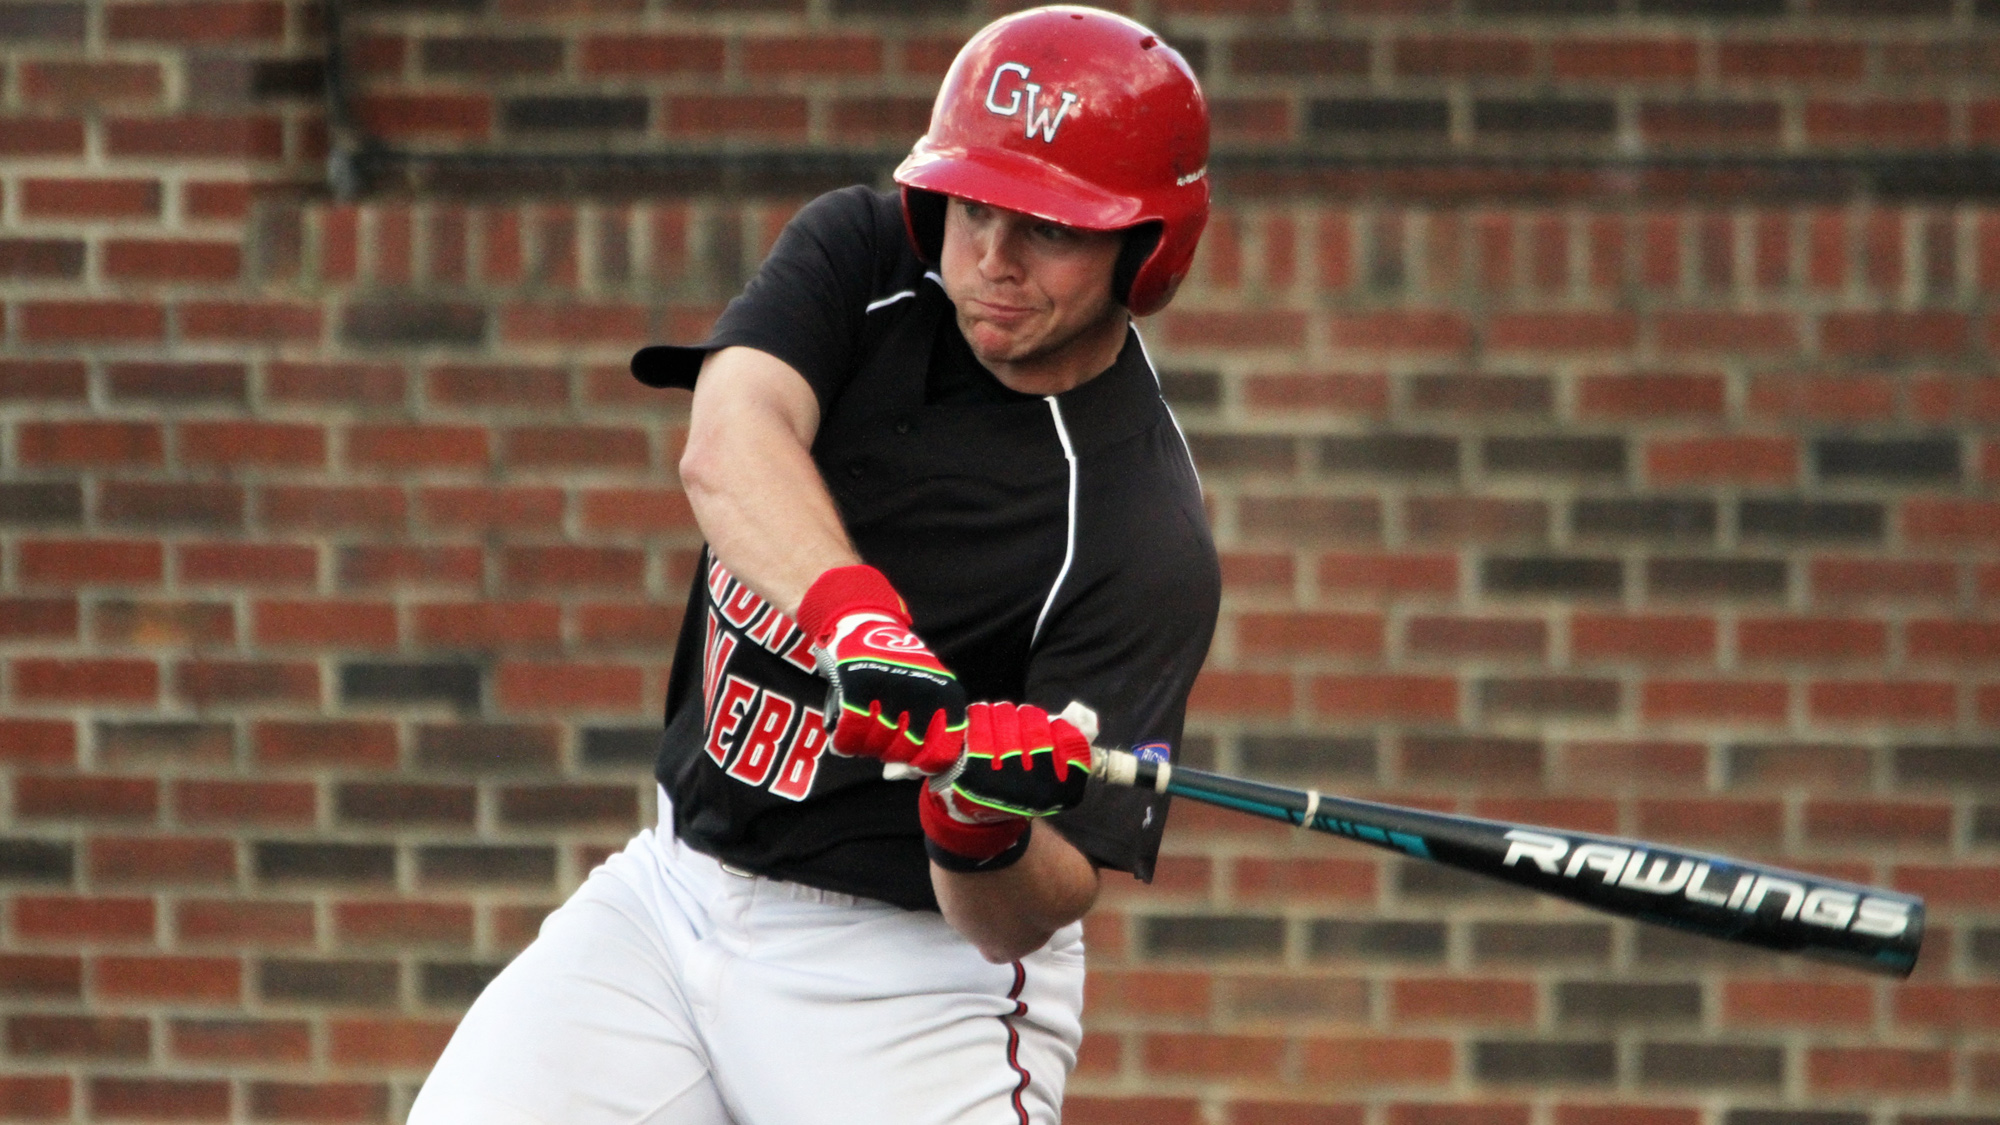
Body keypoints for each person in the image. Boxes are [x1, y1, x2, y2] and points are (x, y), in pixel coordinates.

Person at [405, 6, 1219, 1123]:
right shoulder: (861, 255)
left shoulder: (1139, 527)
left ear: (1147, 249)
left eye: (1050, 229)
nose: (991, 258)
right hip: (671, 893)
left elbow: (1031, 907)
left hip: (908, 982)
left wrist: (974, 821)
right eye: (974, 206)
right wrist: (865, 630)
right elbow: (728, 439)